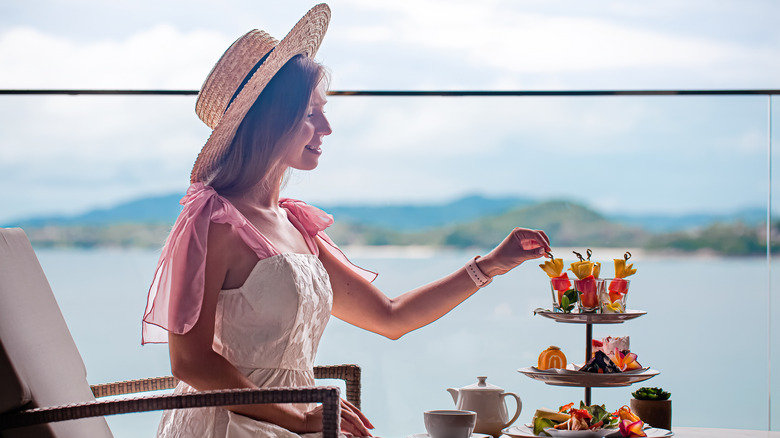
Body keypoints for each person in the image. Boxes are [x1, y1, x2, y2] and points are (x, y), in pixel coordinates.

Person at [141, 4, 551, 437]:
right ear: (272, 121)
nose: (328, 127)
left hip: (305, 422)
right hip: (233, 427)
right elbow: (190, 361)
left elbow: (391, 317)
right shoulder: (214, 222)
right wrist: (300, 417)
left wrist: (489, 266)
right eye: (311, 114)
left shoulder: (295, 226)